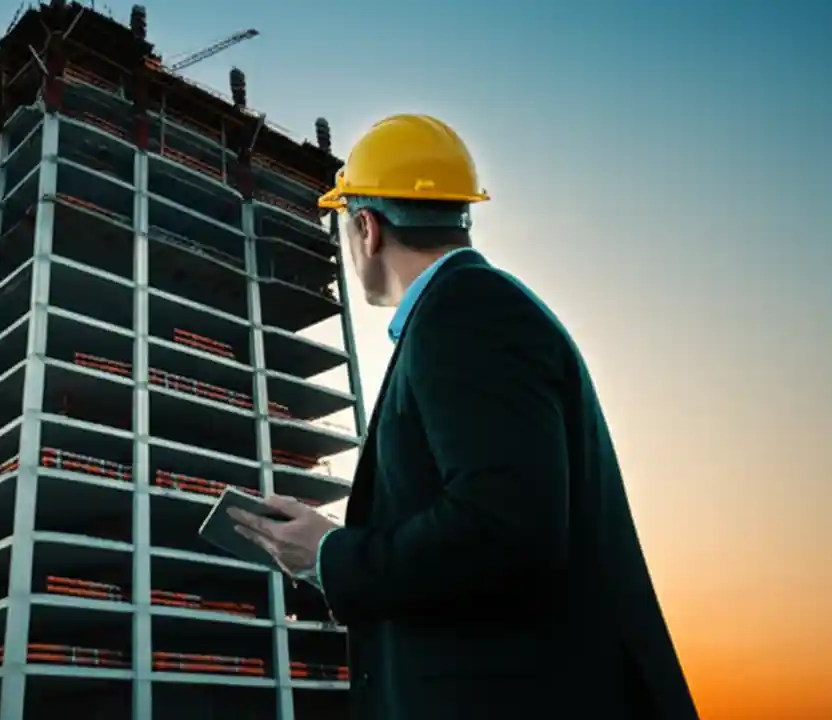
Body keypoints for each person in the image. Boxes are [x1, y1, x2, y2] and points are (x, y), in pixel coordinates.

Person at [230, 114, 700, 718]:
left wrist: (332, 555)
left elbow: (503, 528)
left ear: (366, 228)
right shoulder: (471, 313)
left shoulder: (467, 314)